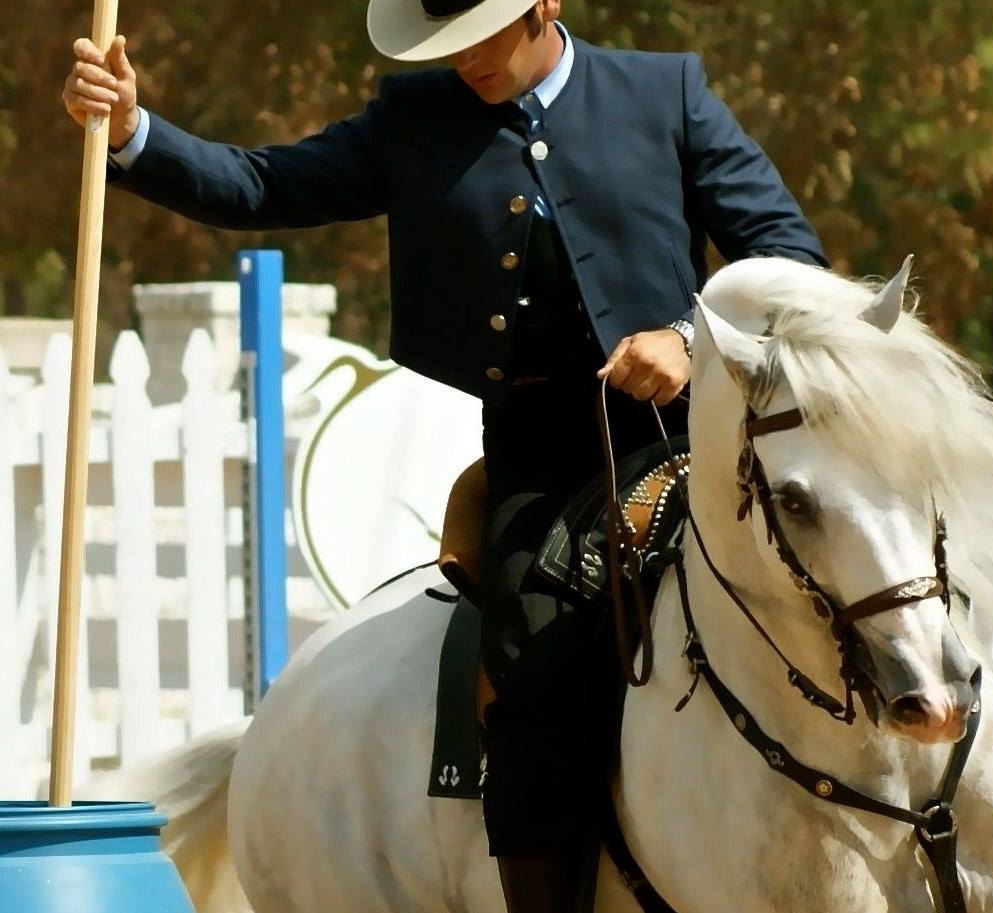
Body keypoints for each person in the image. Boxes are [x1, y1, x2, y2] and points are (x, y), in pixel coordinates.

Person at [63, 3, 826, 910]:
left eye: (484, 31)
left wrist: (688, 342)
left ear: (544, 4)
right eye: (446, 39)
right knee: (532, 673)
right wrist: (131, 132)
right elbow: (261, 185)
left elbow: (788, 258)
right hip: (540, 462)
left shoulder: (668, 93)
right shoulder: (411, 117)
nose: (464, 58)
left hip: (696, 438)